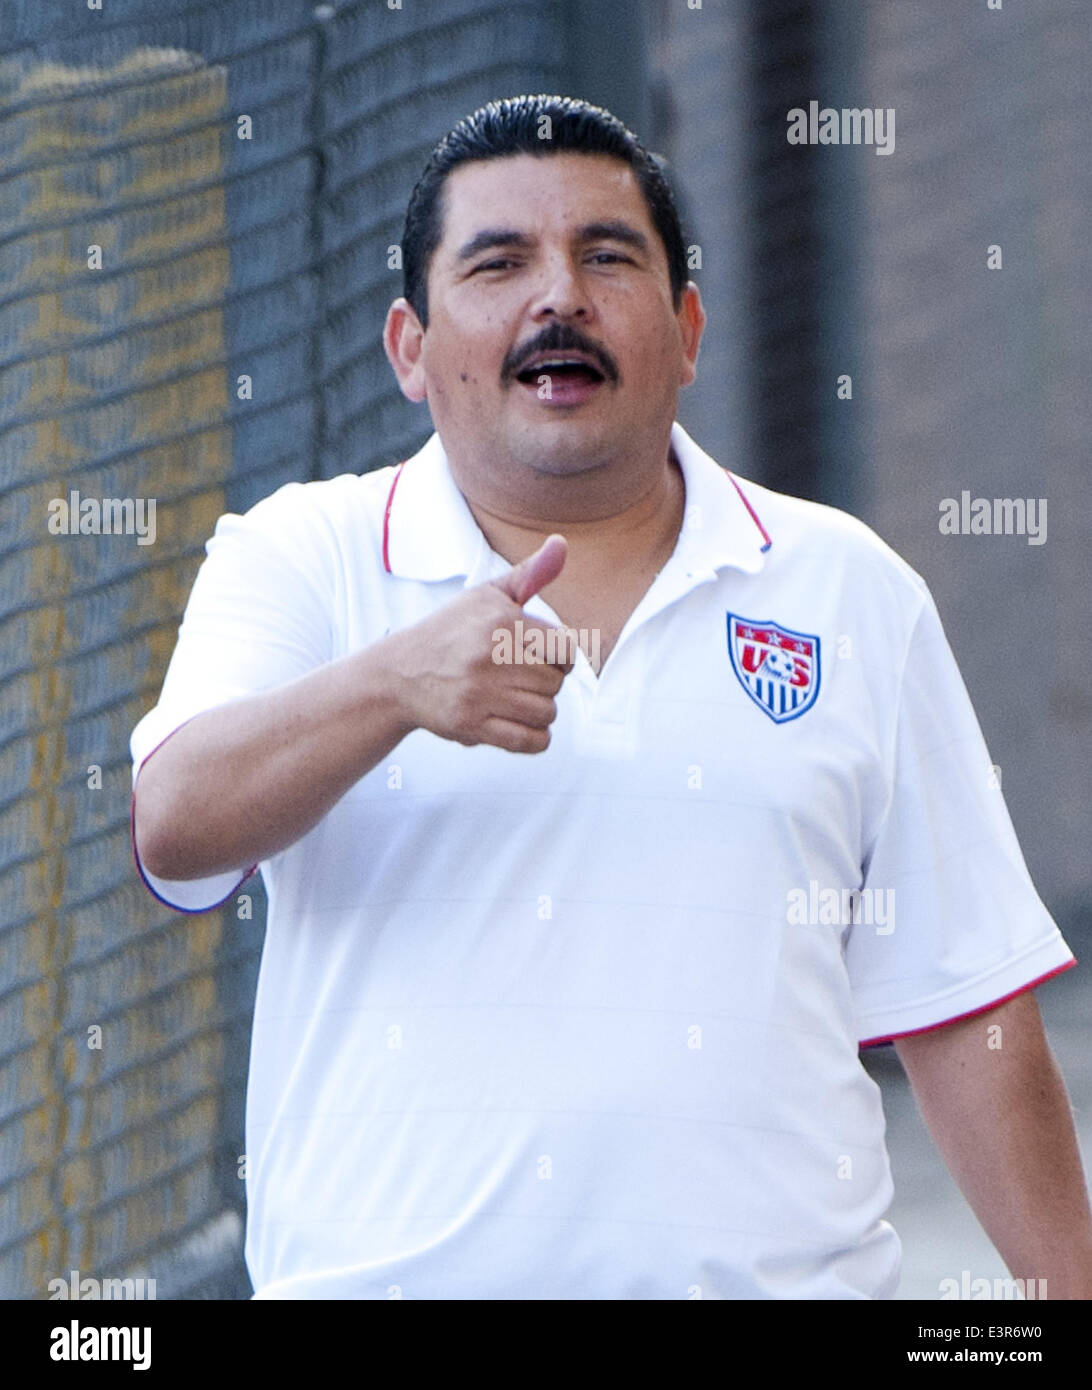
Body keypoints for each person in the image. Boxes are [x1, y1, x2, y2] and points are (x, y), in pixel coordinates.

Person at [130, 95, 1092, 1299]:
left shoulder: (850, 590)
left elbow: (962, 1010)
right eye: (498, 263)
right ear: (409, 349)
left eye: (607, 256)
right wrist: (394, 685)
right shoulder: (304, 556)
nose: (559, 298)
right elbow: (175, 831)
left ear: (688, 332)